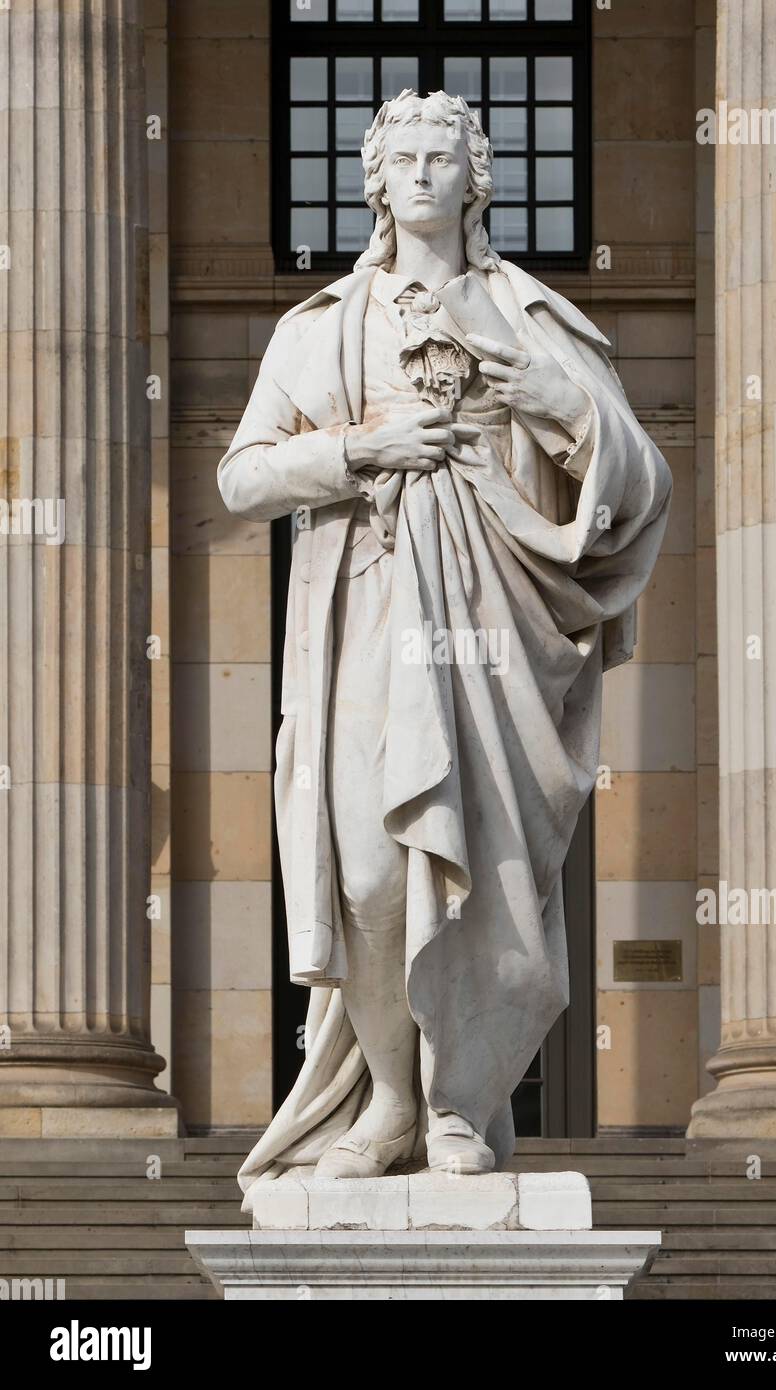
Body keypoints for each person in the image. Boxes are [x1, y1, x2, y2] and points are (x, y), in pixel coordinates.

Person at [218, 90, 672, 1205]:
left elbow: (640, 482)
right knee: (369, 867)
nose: (421, 175)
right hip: (365, 610)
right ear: (374, 182)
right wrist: (360, 446)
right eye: (401, 159)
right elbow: (241, 476)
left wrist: (557, 398)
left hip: (494, 628)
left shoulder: (532, 316)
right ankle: (387, 1097)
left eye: (442, 157)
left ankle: (463, 1101)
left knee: (493, 881)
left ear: (476, 178)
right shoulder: (319, 326)